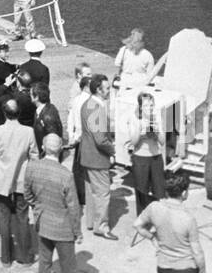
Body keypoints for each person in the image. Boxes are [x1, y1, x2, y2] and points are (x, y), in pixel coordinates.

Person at [23, 133, 82, 273]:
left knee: (44, 263)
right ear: (61, 149)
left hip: (43, 224)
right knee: (68, 268)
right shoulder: (66, 175)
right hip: (63, 229)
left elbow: (27, 194)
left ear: (43, 148)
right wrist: (77, 232)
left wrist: (38, 207)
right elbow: (74, 208)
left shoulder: (32, 167)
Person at [132, 168, 207, 273]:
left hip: (163, 267)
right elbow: (197, 251)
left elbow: (137, 225)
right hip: (186, 272)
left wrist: (152, 238)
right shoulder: (188, 219)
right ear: (184, 193)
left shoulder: (154, 207)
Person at [0, 98, 38, 267]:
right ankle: (25, 257)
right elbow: (34, 156)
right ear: (18, 113)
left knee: (4, 218)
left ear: (4, 113)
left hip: (2, 179)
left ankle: (6, 258)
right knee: (22, 217)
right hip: (22, 178)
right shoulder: (28, 131)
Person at [79, 74, 117, 239]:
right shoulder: (97, 109)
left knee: (91, 191)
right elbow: (101, 139)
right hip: (97, 157)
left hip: (87, 155)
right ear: (98, 90)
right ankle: (101, 226)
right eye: (107, 88)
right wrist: (113, 150)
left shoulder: (87, 105)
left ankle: (91, 222)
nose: (109, 90)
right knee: (102, 193)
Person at [126, 90, 166, 215]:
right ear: (140, 107)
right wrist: (140, 130)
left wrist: (157, 131)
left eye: (151, 105)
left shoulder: (157, 117)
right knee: (141, 191)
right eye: (146, 105)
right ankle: (142, 219)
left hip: (155, 157)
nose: (150, 108)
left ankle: (156, 218)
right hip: (140, 158)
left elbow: (163, 141)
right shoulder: (134, 118)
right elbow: (133, 142)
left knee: (158, 191)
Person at [65, 66, 92, 212]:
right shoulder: (90, 102)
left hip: (77, 138)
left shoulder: (76, 100)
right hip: (86, 139)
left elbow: (70, 119)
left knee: (78, 169)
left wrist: (71, 136)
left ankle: (80, 196)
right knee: (86, 170)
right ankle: (85, 197)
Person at [31, 84, 64, 158]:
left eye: (31, 94)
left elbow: (53, 140)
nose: (29, 96)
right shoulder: (42, 109)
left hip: (48, 155)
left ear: (36, 97)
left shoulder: (48, 117)